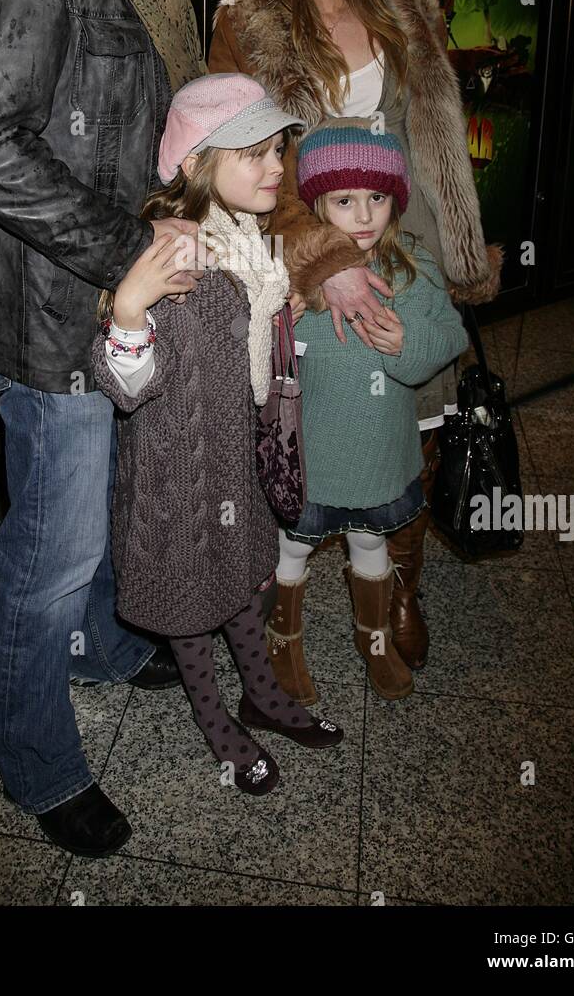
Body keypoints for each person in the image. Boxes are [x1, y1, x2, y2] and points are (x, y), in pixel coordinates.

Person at [0, 0, 227, 857]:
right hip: (61, 313)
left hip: (127, 305)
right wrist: (128, 250)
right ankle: (38, 763)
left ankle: (106, 647)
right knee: (48, 549)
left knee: (109, 511)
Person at [207, 0, 501, 694]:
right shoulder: (245, 24)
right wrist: (324, 258)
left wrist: (453, 249)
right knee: (322, 439)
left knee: (415, 426)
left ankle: (399, 594)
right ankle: (282, 610)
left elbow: (433, 137)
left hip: (407, 255)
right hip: (308, 266)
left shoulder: (406, 2)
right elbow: (233, 159)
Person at [90, 74, 345, 795]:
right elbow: (127, 386)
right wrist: (132, 313)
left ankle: (261, 694)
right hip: (180, 476)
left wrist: (275, 310)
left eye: (276, 151)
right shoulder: (173, 255)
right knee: (190, 602)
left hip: (234, 465)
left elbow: (249, 347)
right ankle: (216, 723)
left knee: (236, 581)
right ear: (198, 162)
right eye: (253, 153)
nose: (275, 167)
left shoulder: (245, 245)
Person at [276, 119, 468, 702]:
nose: (363, 216)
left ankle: (375, 639)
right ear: (316, 203)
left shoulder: (411, 265)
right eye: (343, 200)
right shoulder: (298, 274)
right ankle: (282, 643)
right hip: (310, 453)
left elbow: (452, 335)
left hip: (379, 453)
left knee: (371, 542)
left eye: (377, 198)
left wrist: (406, 345)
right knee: (292, 547)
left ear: (395, 200)